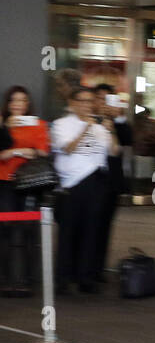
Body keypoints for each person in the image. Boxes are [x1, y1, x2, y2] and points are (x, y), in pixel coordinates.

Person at [50, 87, 117, 293]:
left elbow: (114, 151)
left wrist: (110, 129)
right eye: (83, 101)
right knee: (68, 231)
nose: (87, 105)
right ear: (72, 103)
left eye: (90, 101)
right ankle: (63, 278)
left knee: (91, 231)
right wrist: (86, 128)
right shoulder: (61, 124)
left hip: (97, 182)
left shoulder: (99, 126)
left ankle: (85, 277)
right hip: (72, 184)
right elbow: (67, 148)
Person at [0, 86, 51, 297]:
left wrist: (13, 153)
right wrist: (20, 150)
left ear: (28, 103)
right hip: (4, 181)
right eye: (14, 100)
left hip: (30, 183)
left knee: (29, 231)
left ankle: (26, 279)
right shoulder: (3, 123)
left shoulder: (37, 124)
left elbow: (42, 152)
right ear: (8, 103)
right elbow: (2, 155)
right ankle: (5, 278)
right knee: (4, 231)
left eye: (22, 100)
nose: (18, 104)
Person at [92, 83, 133, 282]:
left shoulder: (117, 122)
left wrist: (118, 118)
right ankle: (81, 269)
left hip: (110, 183)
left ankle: (97, 269)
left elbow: (128, 140)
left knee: (104, 227)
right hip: (89, 180)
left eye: (108, 98)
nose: (103, 103)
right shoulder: (86, 121)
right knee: (87, 226)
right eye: (99, 98)